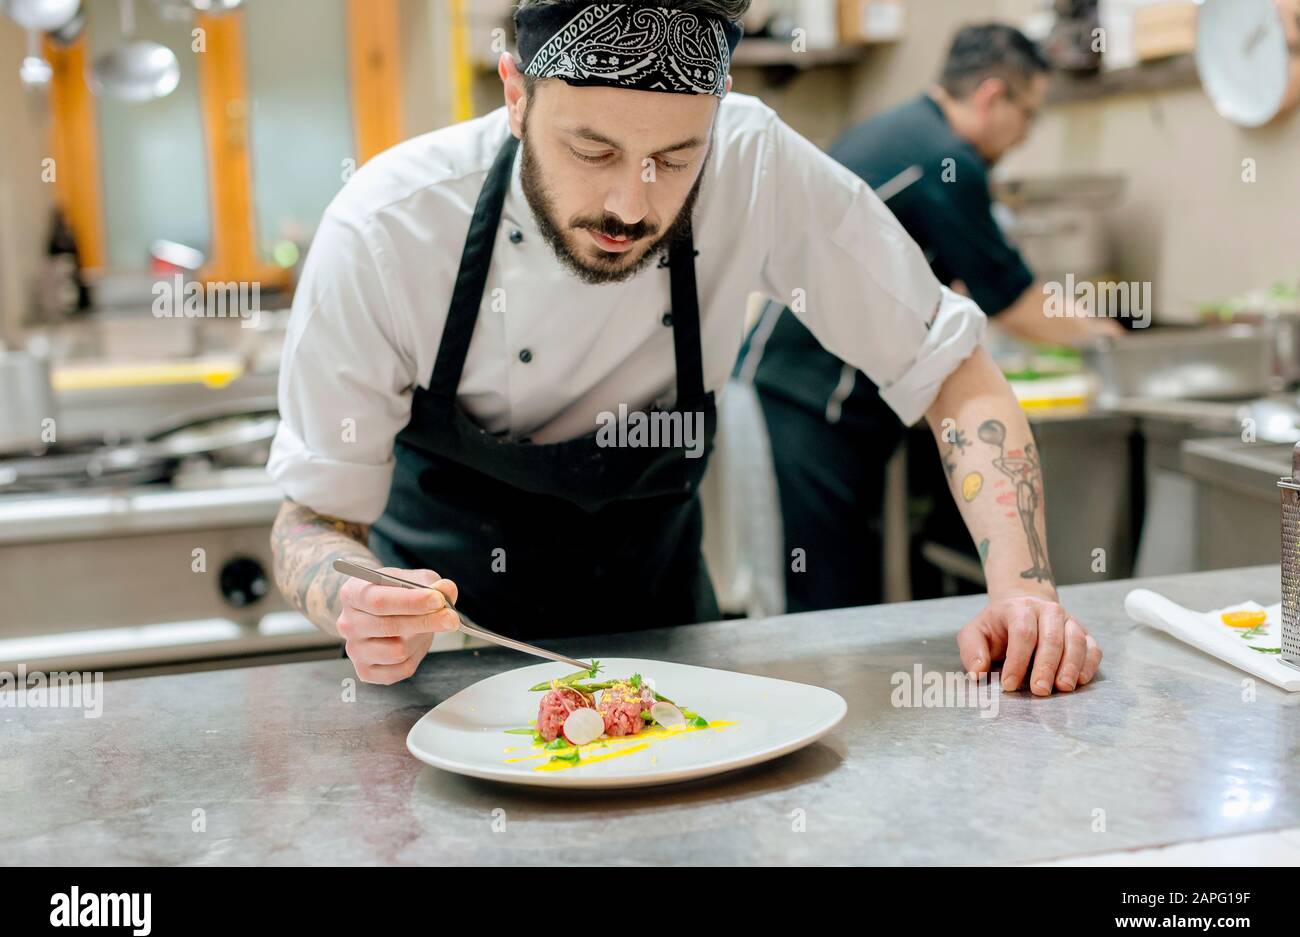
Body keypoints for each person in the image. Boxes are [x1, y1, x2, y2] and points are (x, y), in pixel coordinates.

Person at [266, 1, 1101, 696]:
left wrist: (1025, 592)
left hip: (675, 673)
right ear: (516, 95)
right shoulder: (387, 229)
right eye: (592, 150)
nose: (632, 203)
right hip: (446, 677)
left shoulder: (755, 164)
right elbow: (310, 520)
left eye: (676, 157)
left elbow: (954, 371)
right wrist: (355, 595)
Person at [738, 22, 1123, 613]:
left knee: (820, 587)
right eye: (1030, 116)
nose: (1024, 137)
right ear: (994, 95)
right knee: (826, 600)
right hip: (809, 404)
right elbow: (1014, 301)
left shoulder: (903, 130)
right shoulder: (946, 160)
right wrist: (1107, 337)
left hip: (781, 388)